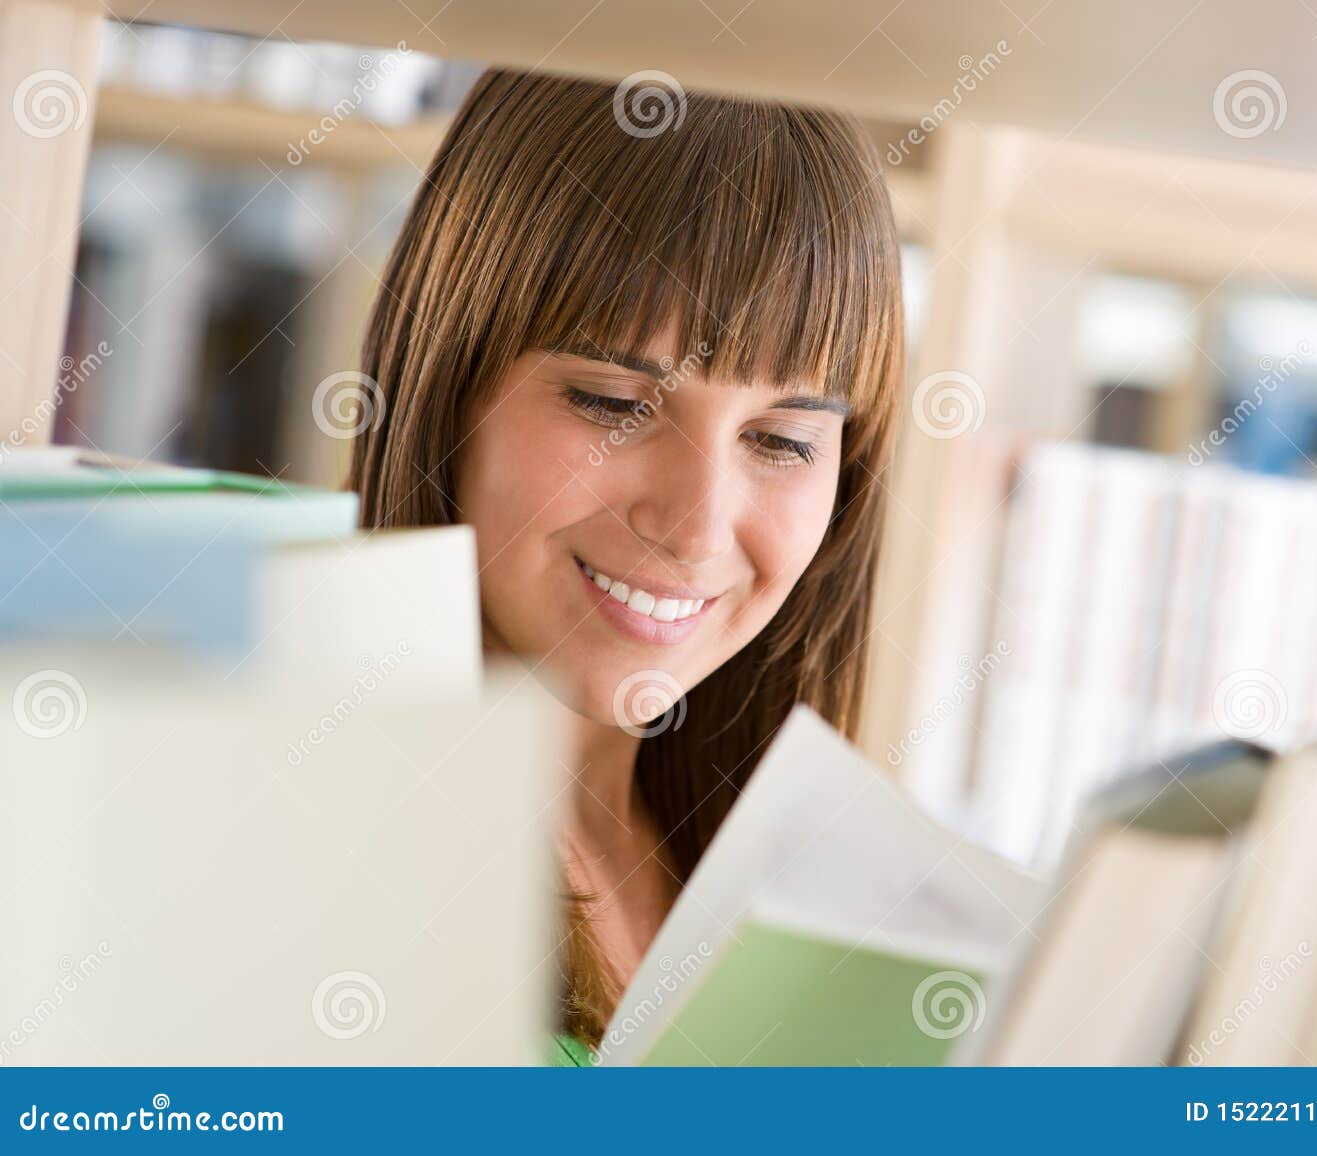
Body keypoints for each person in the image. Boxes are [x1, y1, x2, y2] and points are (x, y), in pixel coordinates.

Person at [347, 68, 905, 1062]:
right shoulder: (328, 861)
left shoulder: (795, 889)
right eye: (614, 404)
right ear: (445, 390)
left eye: (780, 439)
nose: (695, 525)